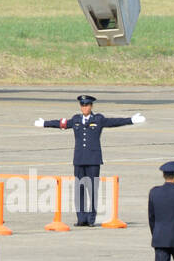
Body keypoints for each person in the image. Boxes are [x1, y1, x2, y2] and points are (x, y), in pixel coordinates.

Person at [35, 94, 144, 226]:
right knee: (79, 190)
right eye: (82, 105)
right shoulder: (76, 119)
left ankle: (91, 219)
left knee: (92, 190)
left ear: (91, 106)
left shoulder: (98, 119)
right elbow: (61, 123)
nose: (84, 107)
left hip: (93, 160)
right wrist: (45, 124)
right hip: (79, 160)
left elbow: (114, 122)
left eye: (86, 105)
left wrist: (131, 120)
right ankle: (81, 219)